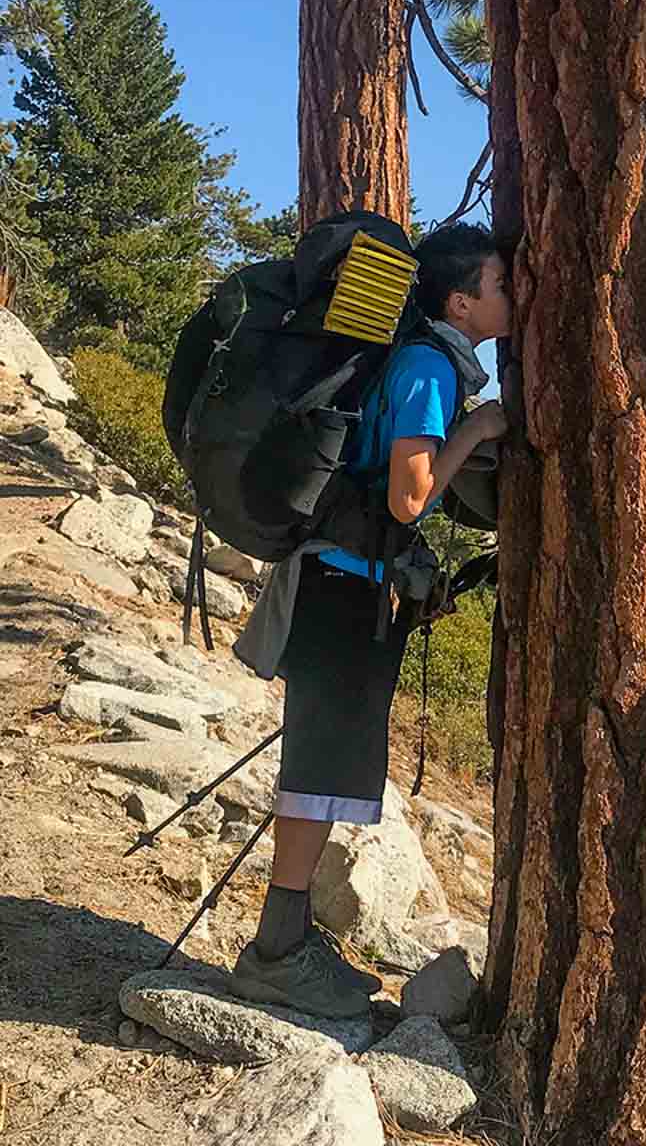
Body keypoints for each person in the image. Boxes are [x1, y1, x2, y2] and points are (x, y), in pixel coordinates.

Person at [227, 223, 511, 1017]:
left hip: (345, 580)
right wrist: (478, 432)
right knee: (320, 768)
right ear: (461, 300)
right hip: (342, 585)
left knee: (330, 764)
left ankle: (288, 936)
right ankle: (275, 953)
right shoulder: (427, 367)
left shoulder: (428, 358)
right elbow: (409, 497)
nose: (512, 296)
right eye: (500, 284)